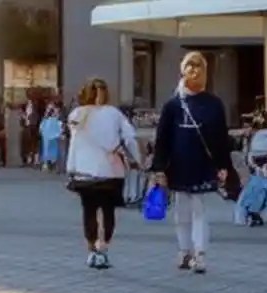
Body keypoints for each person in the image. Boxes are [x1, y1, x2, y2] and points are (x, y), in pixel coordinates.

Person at [151, 51, 231, 274]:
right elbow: (163, 138)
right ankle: (184, 250)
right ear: (182, 70)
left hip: (203, 164)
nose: (194, 71)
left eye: (199, 67)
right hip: (178, 164)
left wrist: (223, 165)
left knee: (198, 209)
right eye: (190, 66)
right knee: (181, 210)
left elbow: (221, 137)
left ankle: (200, 253)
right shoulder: (173, 105)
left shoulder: (214, 104)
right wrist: (159, 168)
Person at [66, 77, 140, 270]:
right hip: (110, 171)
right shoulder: (114, 114)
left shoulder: (77, 115)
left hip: (84, 172)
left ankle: (91, 249)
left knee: (88, 210)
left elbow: (74, 143)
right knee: (108, 210)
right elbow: (130, 138)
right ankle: (103, 248)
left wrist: (70, 168)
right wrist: (137, 159)